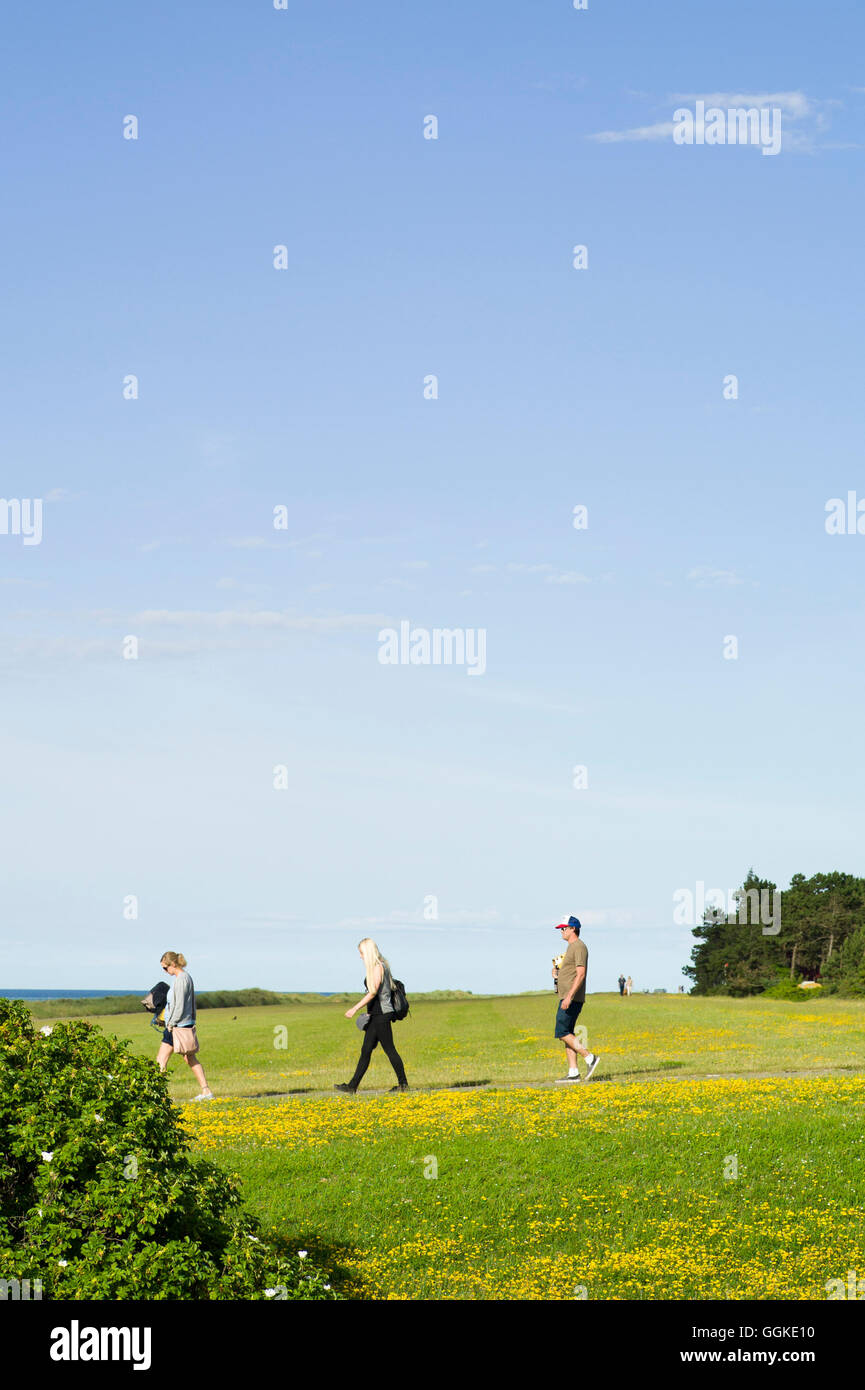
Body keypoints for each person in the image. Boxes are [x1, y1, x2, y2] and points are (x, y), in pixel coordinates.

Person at [335, 938, 408, 1094]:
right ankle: (352, 1087)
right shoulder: (380, 965)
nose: (360, 956)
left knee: (389, 1049)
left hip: (382, 1014)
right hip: (376, 1014)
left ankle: (403, 1085)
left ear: (368, 953)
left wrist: (354, 1008)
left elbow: (373, 992)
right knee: (366, 1050)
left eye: (361, 953)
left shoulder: (378, 967)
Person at [155, 951, 213, 1100]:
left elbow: (179, 1006)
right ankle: (206, 1091)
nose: (164, 971)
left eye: (165, 967)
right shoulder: (183, 978)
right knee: (189, 1058)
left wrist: (170, 1023)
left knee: (161, 1060)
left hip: (177, 1027)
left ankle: (159, 1095)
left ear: (173, 964)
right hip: (181, 1024)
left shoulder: (181, 979)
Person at [553, 918, 600, 1083]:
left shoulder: (579, 947)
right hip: (566, 996)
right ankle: (573, 1073)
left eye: (564, 928)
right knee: (567, 1032)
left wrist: (569, 996)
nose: (561, 931)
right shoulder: (571, 947)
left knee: (562, 1031)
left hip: (571, 998)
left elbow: (581, 974)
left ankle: (590, 1058)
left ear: (573, 928)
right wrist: (557, 975)